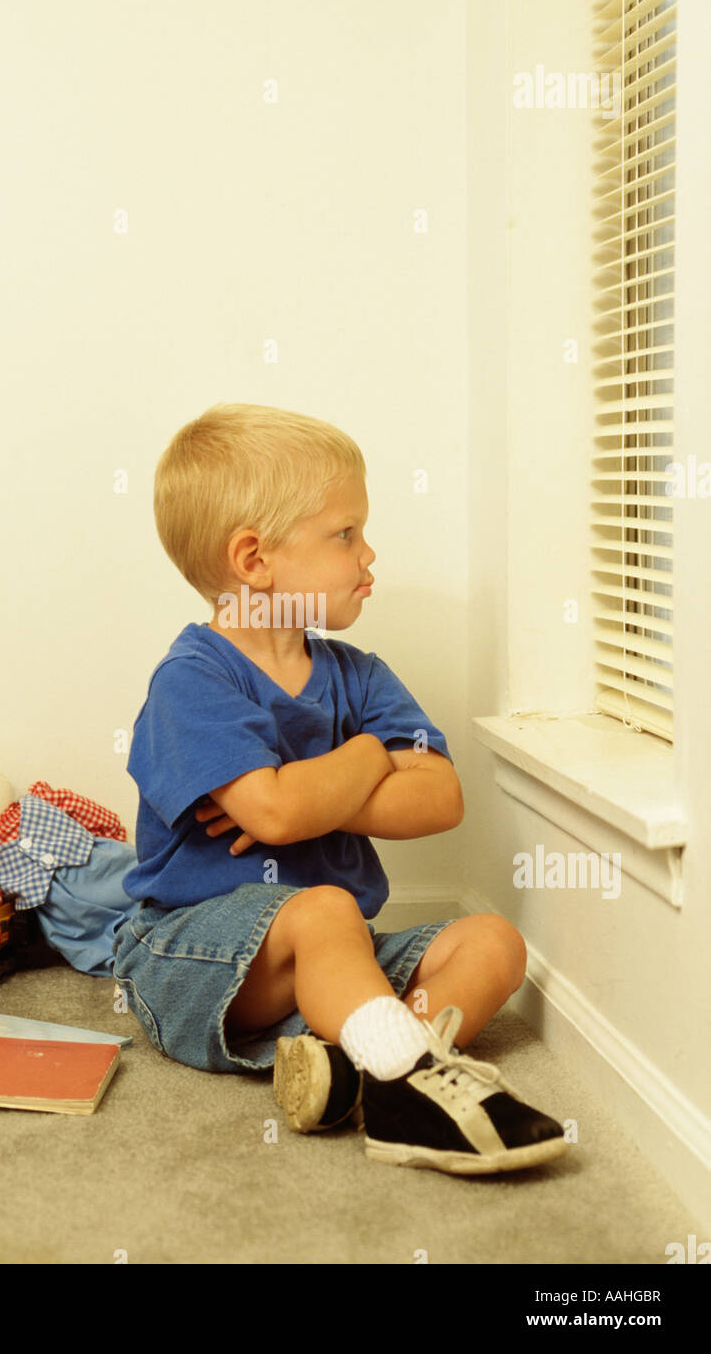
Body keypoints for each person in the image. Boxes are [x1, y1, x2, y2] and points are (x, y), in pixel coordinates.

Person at [112, 402, 566, 1175]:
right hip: (191, 954)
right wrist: (365, 755)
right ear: (255, 561)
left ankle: (369, 1069)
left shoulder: (358, 673)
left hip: (334, 952)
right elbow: (278, 812)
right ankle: (415, 1084)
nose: (369, 554)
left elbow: (439, 798)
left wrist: (301, 793)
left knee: (493, 943)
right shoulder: (193, 680)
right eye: (345, 533)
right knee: (319, 908)